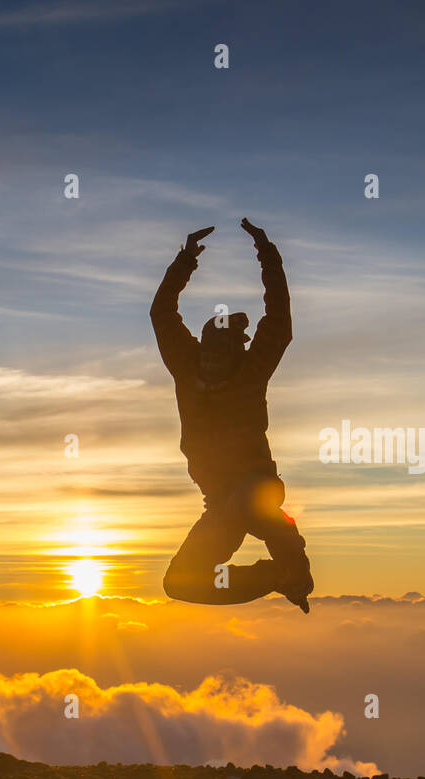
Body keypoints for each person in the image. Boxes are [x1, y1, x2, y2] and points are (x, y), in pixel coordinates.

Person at [150, 217, 313, 612]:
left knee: (253, 504)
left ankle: (292, 567)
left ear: (236, 355)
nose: (212, 363)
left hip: (257, 488)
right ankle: (277, 575)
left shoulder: (250, 374)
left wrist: (267, 255)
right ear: (200, 347)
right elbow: (162, 314)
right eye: (208, 353)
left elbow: (278, 323)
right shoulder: (186, 369)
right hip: (220, 503)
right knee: (179, 583)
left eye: (222, 355)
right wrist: (185, 259)